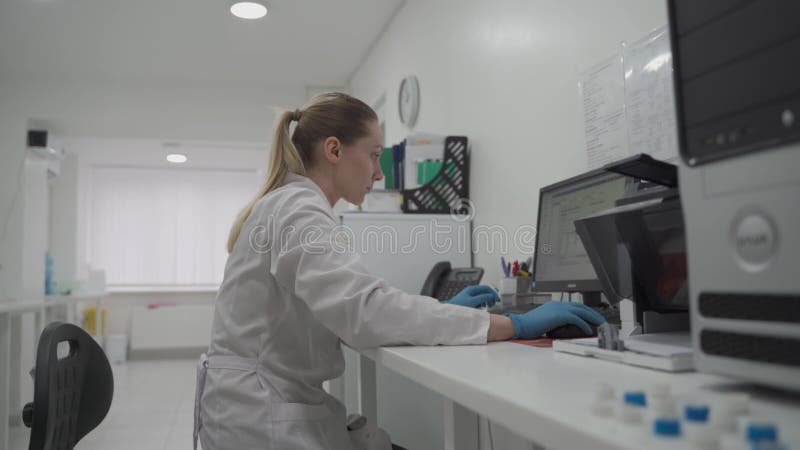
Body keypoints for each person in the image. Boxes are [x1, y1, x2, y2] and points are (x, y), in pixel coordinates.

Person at [194, 93, 605, 450]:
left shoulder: (290, 205)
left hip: (259, 406)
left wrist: (440, 310)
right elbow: (364, 313)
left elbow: (343, 308)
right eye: (374, 155)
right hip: (260, 421)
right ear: (334, 150)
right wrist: (511, 324)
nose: (380, 173)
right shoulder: (299, 211)